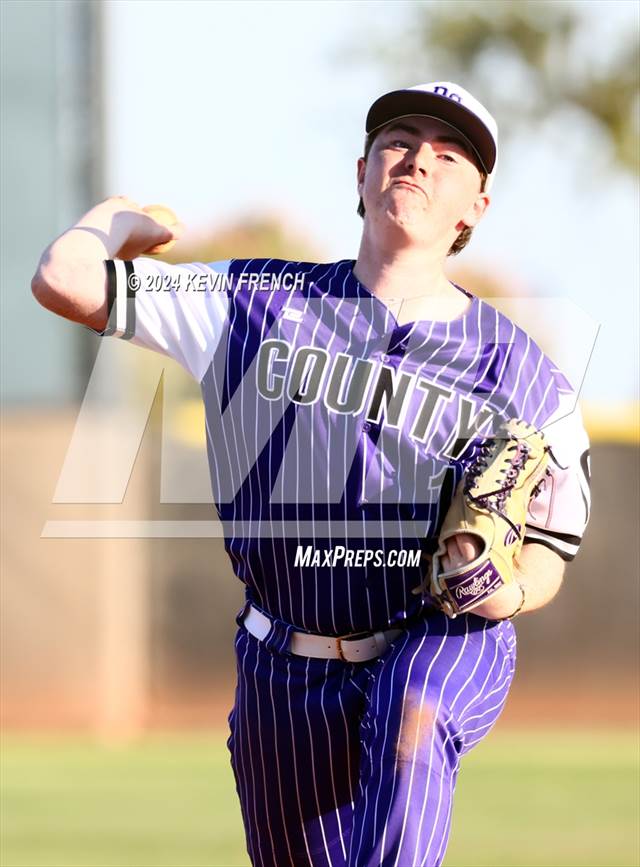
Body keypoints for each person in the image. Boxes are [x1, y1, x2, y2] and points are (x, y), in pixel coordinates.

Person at [32, 81, 591, 867]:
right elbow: (63, 278)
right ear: (362, 172)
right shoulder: (255, 302)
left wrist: (514, 589)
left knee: (416, 712)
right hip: (282, 668)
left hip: (439, 632)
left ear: (476, 207)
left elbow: (553, 541)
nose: (419, 160)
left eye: (449, 152)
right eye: (400, 141)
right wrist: (115, 220)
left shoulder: (523, 374)